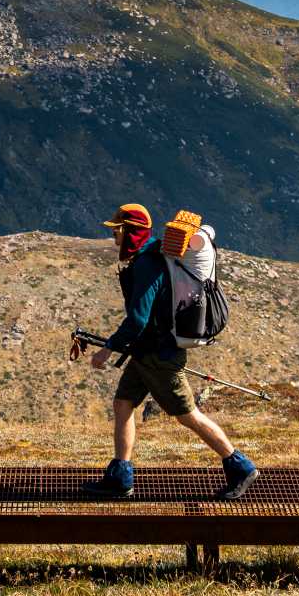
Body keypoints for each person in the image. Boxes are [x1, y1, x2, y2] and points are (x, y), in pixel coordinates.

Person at [77, 204, 258, 499]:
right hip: (146, 353)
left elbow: (138, 319)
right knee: (123, 405)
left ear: (129, 232)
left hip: (160, 358)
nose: (113, 235)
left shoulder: (147, 265)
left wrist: (107, 350)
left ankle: (239, 466)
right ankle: (120, 476)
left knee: (188, 416)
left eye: (116, 230)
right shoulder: (150, 257)